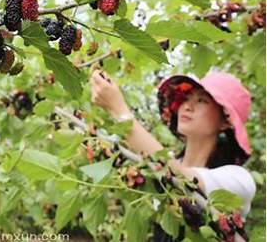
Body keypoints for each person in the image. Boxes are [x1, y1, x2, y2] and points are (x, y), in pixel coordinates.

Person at [90, 70, 256, 238]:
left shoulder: (239, 180)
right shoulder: (162, 167)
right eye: (186, 98)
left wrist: (119, 109)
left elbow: (182, 178)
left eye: (201, 100)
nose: (187, 106)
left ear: (226, 121)